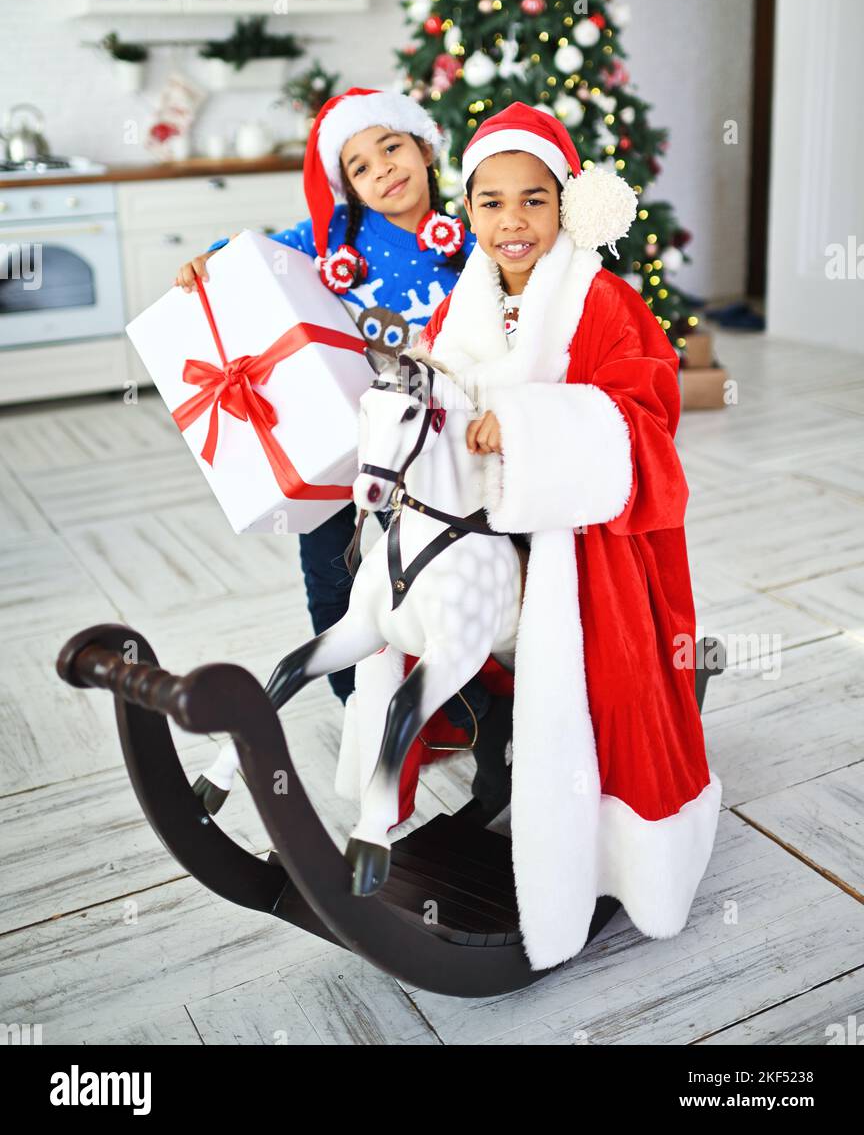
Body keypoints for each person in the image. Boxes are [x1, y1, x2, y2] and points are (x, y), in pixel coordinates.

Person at [394, 100, 722, 970]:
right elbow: (438, 390)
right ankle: (498, 769)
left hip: (584, 546)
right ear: (468, 211)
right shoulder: (463, 303)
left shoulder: (604, 301)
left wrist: (530, 427)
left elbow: (644, 413)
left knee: (597, 678)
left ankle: (622, 845)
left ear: (568, 206)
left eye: (533, 200)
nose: (512, 222)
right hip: (486, 529)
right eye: (491, 201)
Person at [173, 88, 490, 731]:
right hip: (340, 438)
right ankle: (354, 697)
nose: (384, 171)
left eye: (392, 149)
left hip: (431, 444)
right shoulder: (331, 238)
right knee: (331, 567)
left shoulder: (469, 236)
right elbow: (257, 254)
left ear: (425, 148)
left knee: (427, 563)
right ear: (347, 186)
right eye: (361, 167)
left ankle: (457, 691)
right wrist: (212, 260)